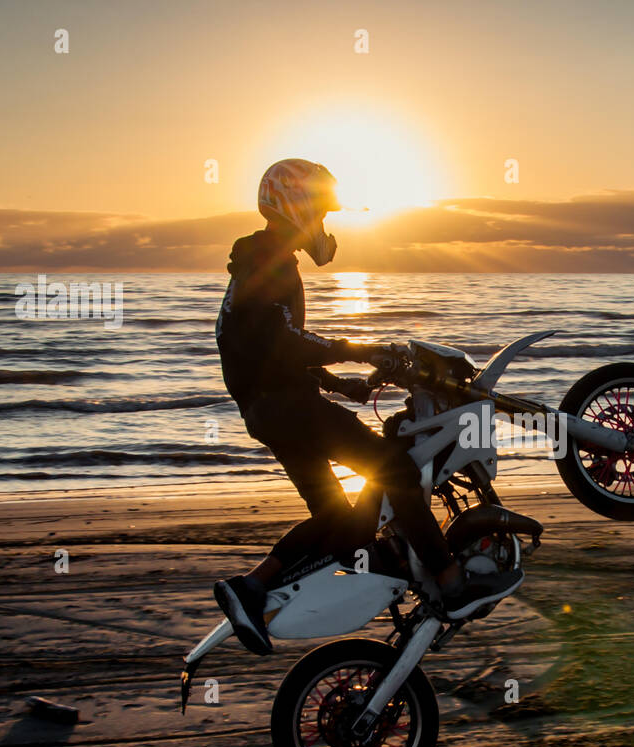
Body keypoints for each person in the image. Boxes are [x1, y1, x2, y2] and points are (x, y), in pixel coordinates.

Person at [212, 158, 520, 654]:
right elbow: (286, 342)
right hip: (288, 408)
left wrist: (338, 383)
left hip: (269, 411)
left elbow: (264, 348)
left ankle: (248, 588)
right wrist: (359, 349)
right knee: (394, 470)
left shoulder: (259, 258)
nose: (324, 225)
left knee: (339, 521)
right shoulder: (269, 261)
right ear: (296, 205)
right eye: (321, 212)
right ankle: (449, 580)